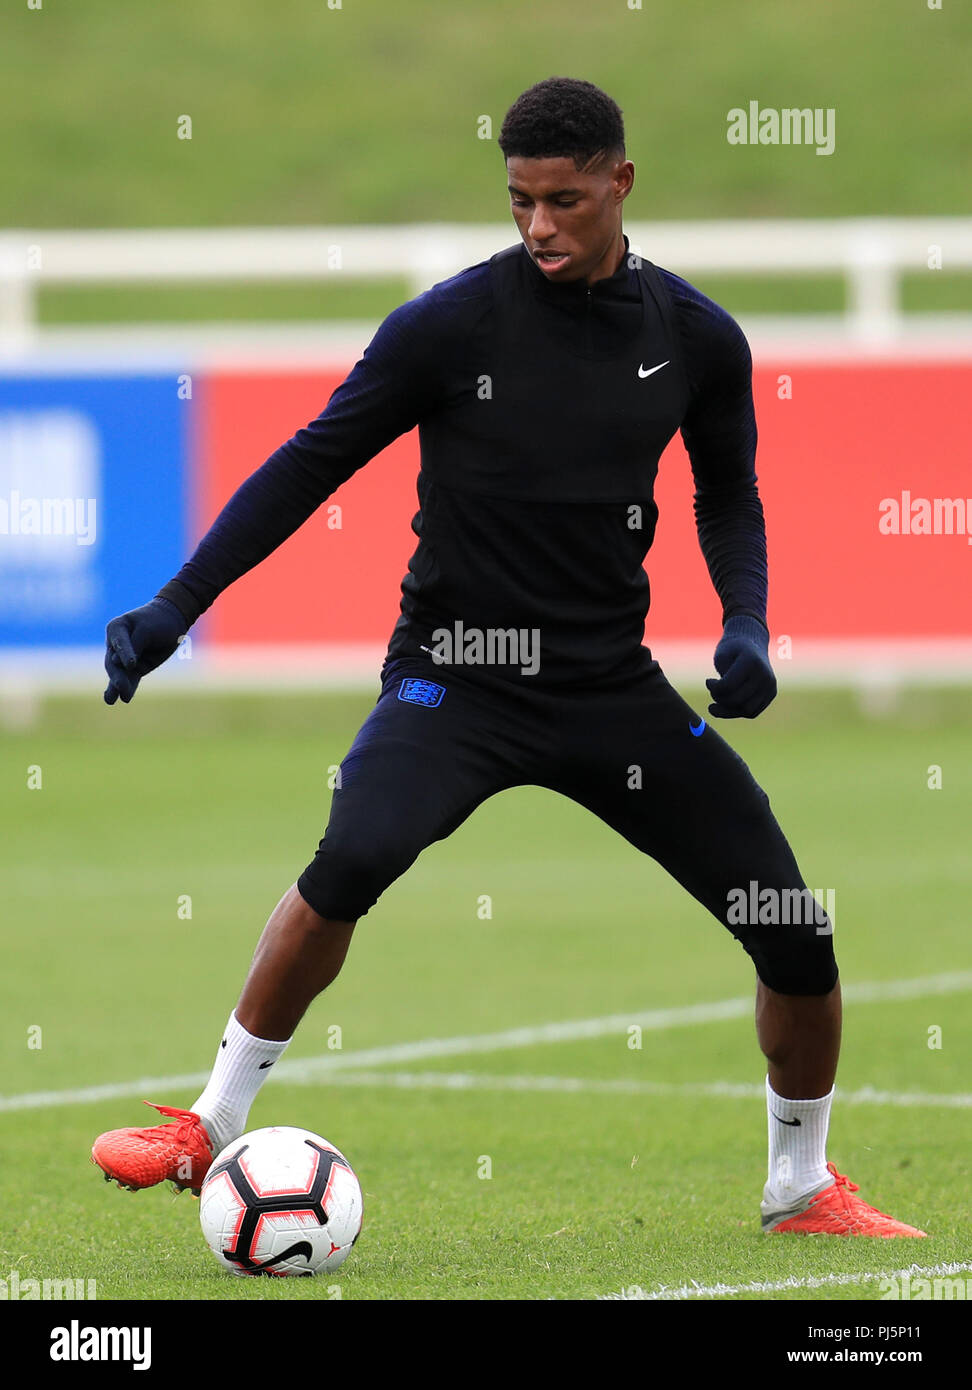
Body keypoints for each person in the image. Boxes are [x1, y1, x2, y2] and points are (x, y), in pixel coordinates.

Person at [92, 77, 924, 1239]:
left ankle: (801, 1186)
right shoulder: (449, 325)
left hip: (608, 690)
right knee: (357, 850)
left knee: (792, 926)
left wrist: (746, 621)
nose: (539, 225)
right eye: (521, 201)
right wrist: (176, 605)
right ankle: (211, 1119)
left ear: (620, 186)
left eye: (564, 200)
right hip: (456, 679)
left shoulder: (694, 337)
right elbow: (308, 463)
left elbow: (729, 496)